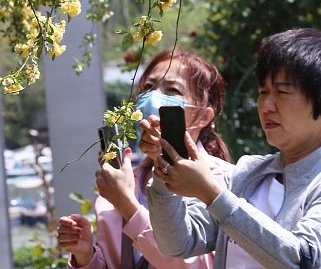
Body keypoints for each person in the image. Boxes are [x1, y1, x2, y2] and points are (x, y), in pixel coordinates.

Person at [143, 28, 321, 268]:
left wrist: (213, 195)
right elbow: (178, 243)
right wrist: (164, 173)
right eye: (263, 92)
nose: (266, 105)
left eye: (282, 92)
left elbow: (304, 258)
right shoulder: (247, 173)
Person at [58, 48, 233, 268]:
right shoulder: (124, 182)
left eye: (172, 90)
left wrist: (128, 206)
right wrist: (85, 255)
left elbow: (196, 265)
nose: (153, 98)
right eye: (148, 88)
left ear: (203, 116)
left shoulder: (224, 182)